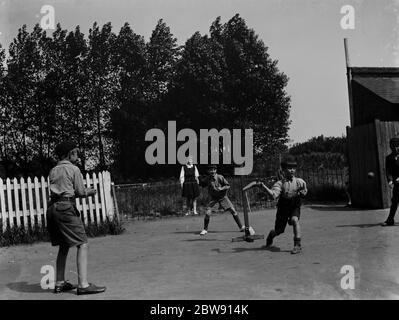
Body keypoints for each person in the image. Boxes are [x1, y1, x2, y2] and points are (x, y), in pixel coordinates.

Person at [46, 141, 106, 295]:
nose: (77, 156)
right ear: (69, 154)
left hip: (53, 209)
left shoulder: (53, 170)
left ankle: (59, 283)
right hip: (66, 208)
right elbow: (79, 192)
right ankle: (83, 285)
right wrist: (90, 191)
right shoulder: (73, 169)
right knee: (82, 244)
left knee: (63, 245)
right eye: (76, 153)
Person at [257, 156, 307, 254]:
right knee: (279, 230)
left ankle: (297, 245)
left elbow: (305, 190)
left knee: (295, 220)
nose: (292, 170)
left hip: (294, 204)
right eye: (289, 168)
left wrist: (304, 193)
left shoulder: (299, 181)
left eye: (293, 168)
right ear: (283, 170)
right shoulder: (279, 184)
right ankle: (271, 235)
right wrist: (263, 187)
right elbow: (273, 195)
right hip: (283, 207)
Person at [198, 164, 244, 235]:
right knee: (208, 213)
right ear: (208, 171)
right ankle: (205, 229)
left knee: (233, 210)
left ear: (215, 170)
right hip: (214, 199)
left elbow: (228, 185)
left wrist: (221, 188)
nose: (212, 171)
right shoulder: (208, 178)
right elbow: (202, 184)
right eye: (210, 170)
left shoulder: (220, 177)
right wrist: (198, 179)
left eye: (213, 170)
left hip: (223, 197)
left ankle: (241, 227)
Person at [381, 137, 399, 226]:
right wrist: (390, 181)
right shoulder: (389, 158)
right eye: (393, 146)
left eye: (397, 146)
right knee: (395, 202)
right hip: (397, 184)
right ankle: (390, 220)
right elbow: (388, 171)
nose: (395, 148)